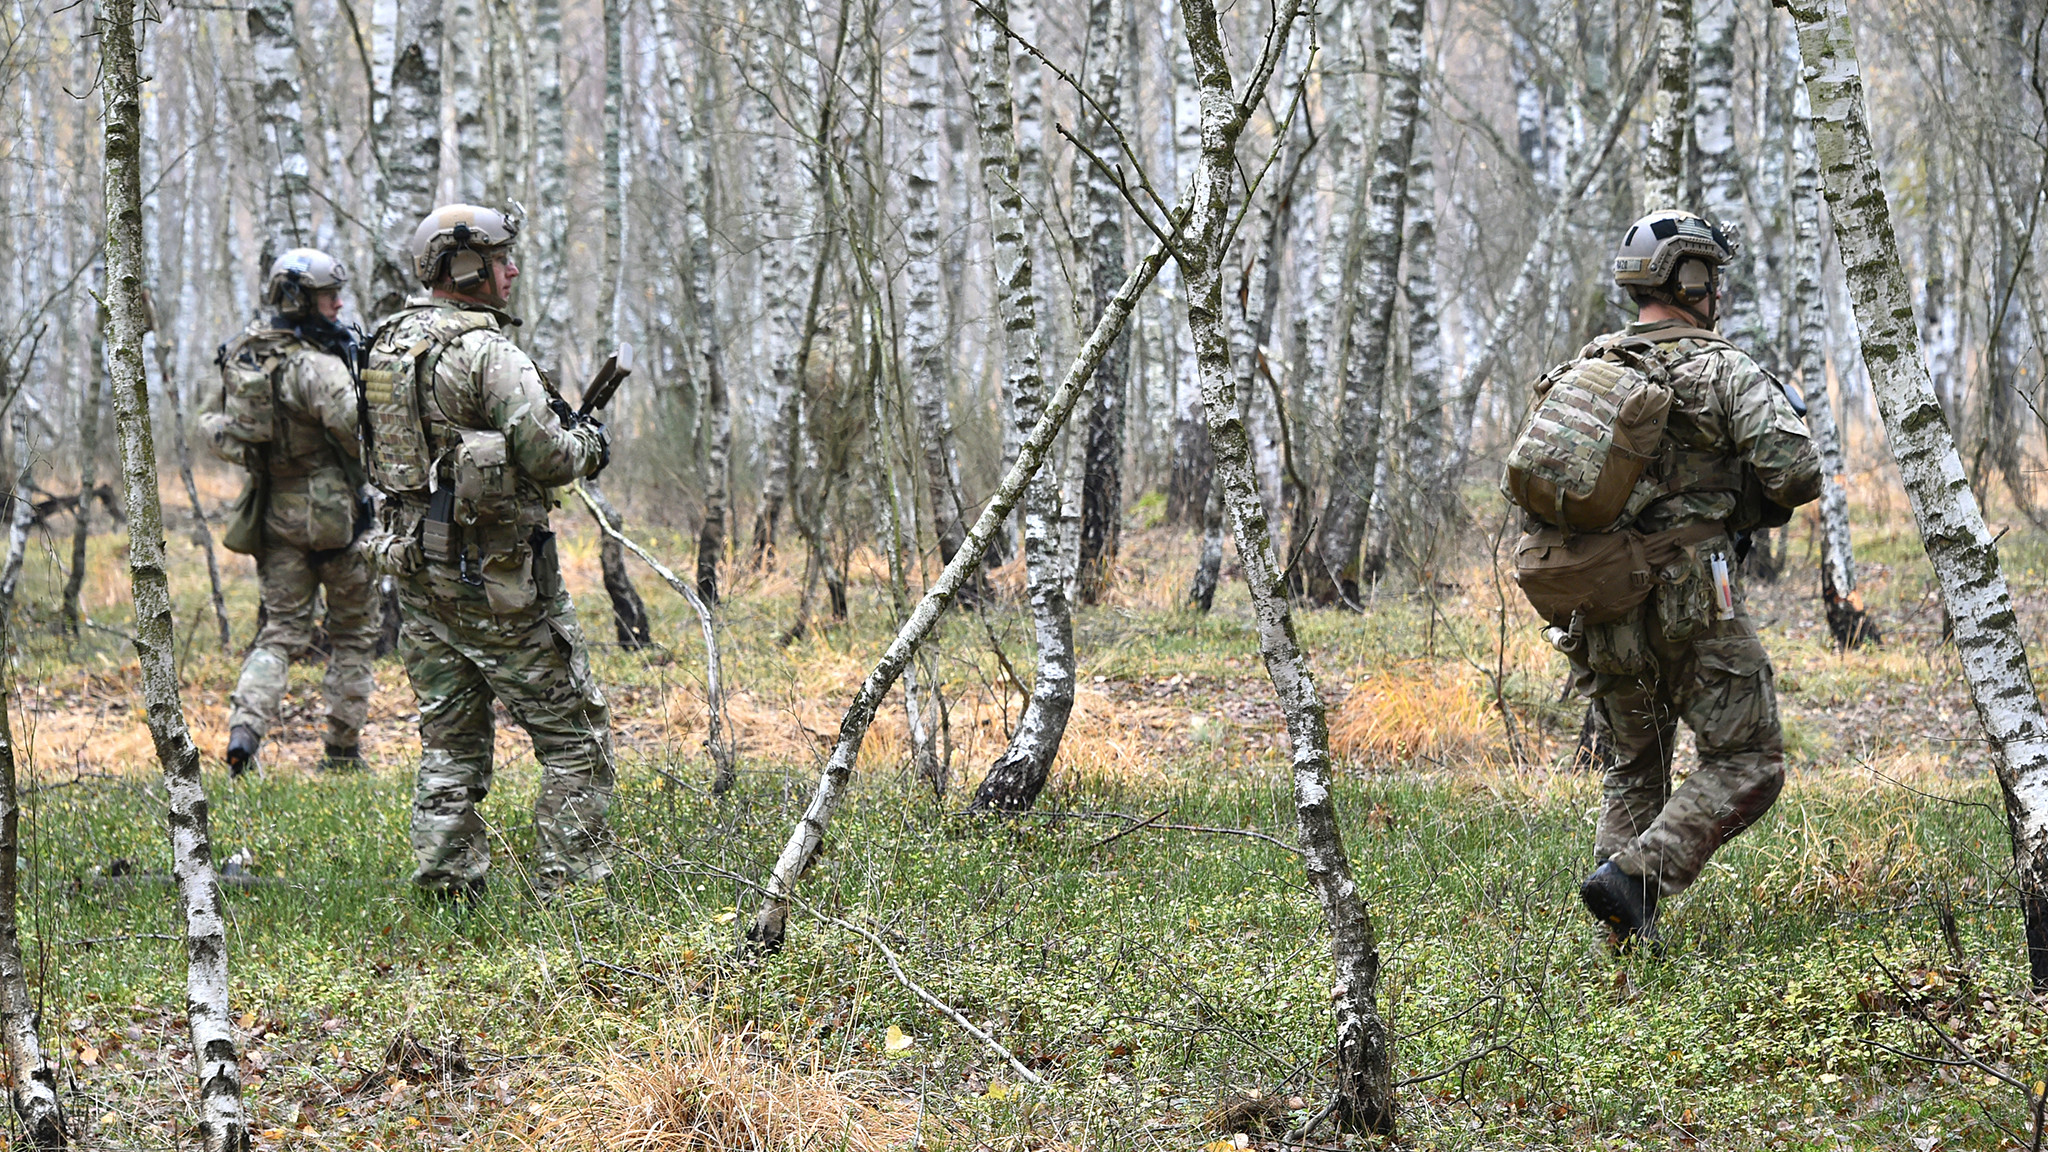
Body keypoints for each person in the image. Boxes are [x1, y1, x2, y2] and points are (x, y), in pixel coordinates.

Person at [1571, 209, 1822, 947]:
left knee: (1633, 769)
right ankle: (1634, 879)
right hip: (1694, 593)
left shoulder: (1589, 368)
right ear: (1687, 278)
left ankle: (1620, 954)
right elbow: (1797, 473)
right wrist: (1734, 501)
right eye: (1710, 275)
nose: (1716, 290)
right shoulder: (1723, 368)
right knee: (1751, 759)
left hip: (1602, 599)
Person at [358, 204, 614, 899]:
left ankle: (448, 884)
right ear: (467, 268)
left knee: (449, 739)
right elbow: (549, 454)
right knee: (576, 739)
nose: (513, 270)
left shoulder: (386, 345)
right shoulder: (487, 352)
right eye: (502, 260)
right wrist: (590, 445)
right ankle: (574, 892)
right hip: (500, 579)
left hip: (418, 572)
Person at [203, 248, 377, 777]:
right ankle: (342, 754)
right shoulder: (318, 368)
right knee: (353, 635)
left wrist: (268, 458)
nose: (338, 304)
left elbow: (218, 429)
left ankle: (244, 733)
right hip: (339, 519)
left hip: (275, 514)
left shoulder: (247, 356)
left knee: (279, 634)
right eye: (329, 296)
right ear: (301, 300)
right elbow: (361, 435)